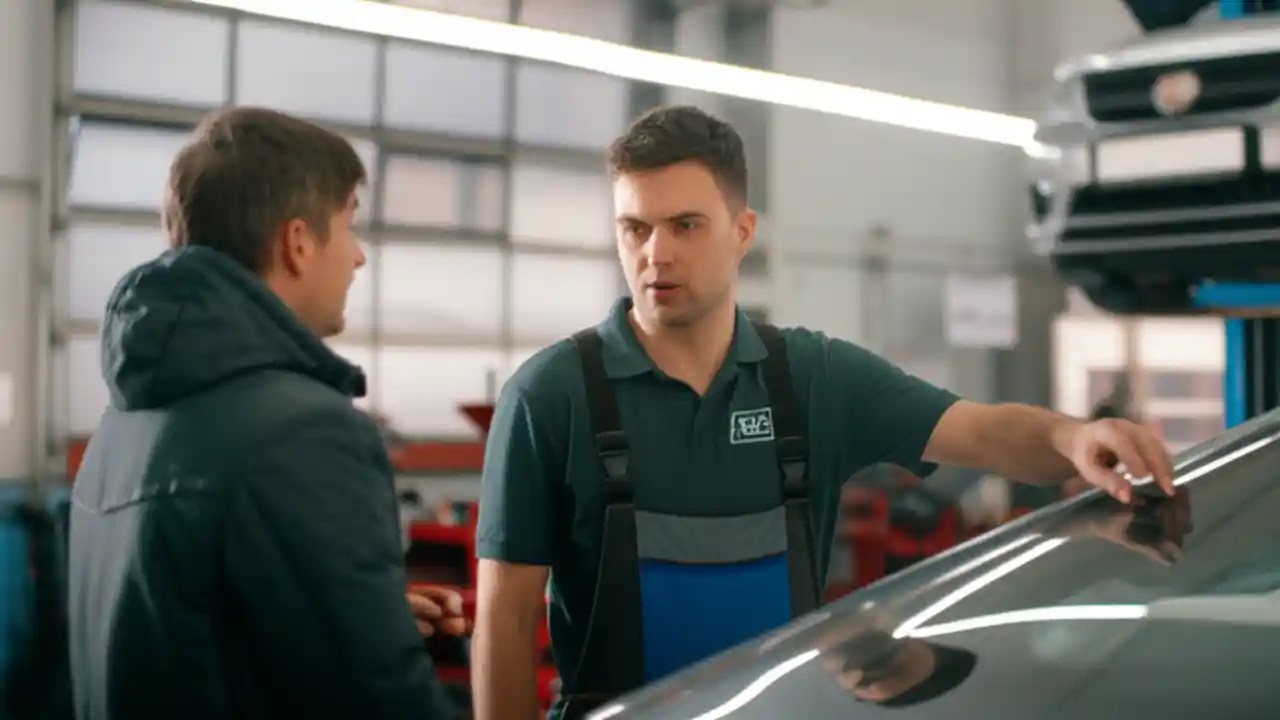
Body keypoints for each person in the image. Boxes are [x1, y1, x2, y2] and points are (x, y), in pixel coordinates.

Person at [470, 104, 1176, 720]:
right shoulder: (552, 395)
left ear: (743, 231)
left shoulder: (813, 378)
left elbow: (983, 431)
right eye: (635, 228)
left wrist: (1074, 435)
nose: (657, 254)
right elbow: (504, 620)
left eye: (685, 225)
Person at [66, 107, 464, 720]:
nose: (358, 257)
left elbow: (186, 633)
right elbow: (378, 704)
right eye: (350, 225)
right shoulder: (305, 434)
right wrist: (369, 644)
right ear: (298, 243)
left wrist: (363, 611)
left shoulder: (124, 424)